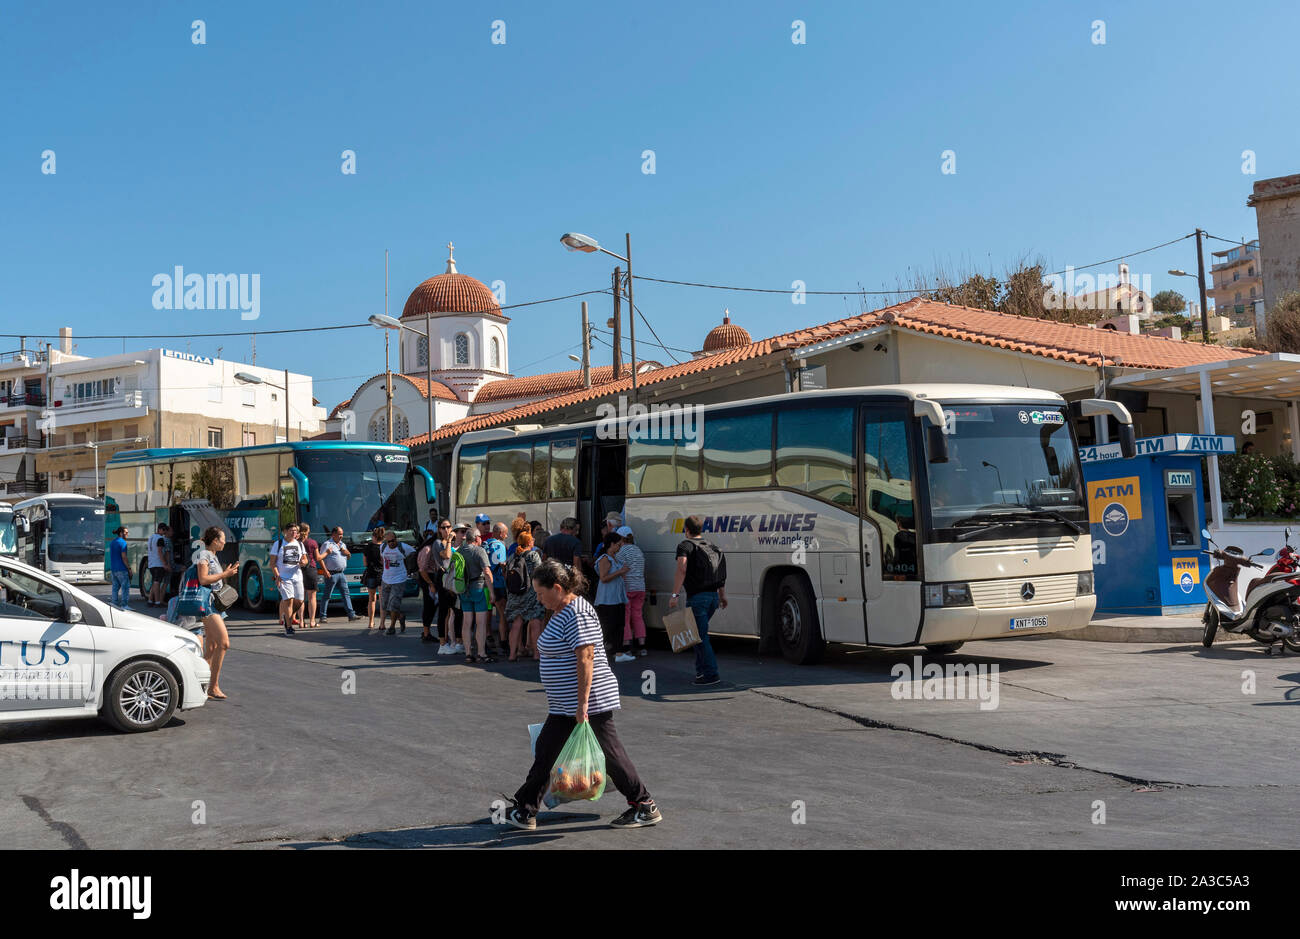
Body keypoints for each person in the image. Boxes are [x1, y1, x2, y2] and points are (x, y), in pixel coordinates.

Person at [504, 559, 661, 831]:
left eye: (541, 593)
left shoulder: (578, 612)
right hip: (566, 703)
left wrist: (582, 704)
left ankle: (644, 804)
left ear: (556, 587)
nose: (539, 599)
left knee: (611, 754)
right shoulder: (561, 610)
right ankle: (525, 809)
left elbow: (586, 656)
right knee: (546, 751)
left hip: (588, 701)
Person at [668, 515, 728, 686]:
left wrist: (674, 595)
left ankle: (711, 674)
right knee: (696, 635)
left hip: (697, 598)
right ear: (701, 529)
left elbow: (682, 569)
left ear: (686, 529)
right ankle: (701, 672)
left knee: (700, 637)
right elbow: (721, 574)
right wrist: (722, 596)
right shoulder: (712, 546)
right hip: (713, 598)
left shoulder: (685, 545)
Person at [193, 527, 239, 699]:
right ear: (214, 540)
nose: (225, 542)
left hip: (215, 605)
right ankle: (213, 685)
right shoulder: (204, 556)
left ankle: (200, 684)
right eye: (222, 539)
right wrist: (225, 574)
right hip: (208, 604)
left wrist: (225, 573)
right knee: (224, 643)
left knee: (212, 646)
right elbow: (203, 579)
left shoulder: (212, 556)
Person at [504, 529, 544, 661]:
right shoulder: (533, 555)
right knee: (535, 622)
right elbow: (539, 574)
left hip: (515, 595)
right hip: (531, 593)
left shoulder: (512, 557)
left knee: (516, 623)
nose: (533, 541)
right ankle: (537, 654)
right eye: (532, 539)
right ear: (528, 542)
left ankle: (512, 655)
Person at [457, 525, 493, 663]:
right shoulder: (479, 551)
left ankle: (467, 653)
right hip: (478, 588)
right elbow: (487, 572)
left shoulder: (459, 551)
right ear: (477, 538)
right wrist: (492, 592)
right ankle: (481, 653)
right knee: (481, 623)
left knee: (466, 622)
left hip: (464, 590)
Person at [594, 531, 628, 656]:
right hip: (607, 599)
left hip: (617, 597)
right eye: (618, 545)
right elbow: (603, 578)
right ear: (612, 544)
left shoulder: (614, 558)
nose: (620, 547)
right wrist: (620, 572)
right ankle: (606, 651)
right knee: (609, 627)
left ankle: (617, 652)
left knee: (619, 625)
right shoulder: (605, 559)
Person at [271, 523, 309, 636]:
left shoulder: (300, 544)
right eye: (292, 530)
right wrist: (277, 576)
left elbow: (305, 559)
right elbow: (272, 563)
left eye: (296, 531)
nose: (294, 533)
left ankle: (287, 616)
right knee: (289, 601)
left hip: (297, 576)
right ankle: (289, 626)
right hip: (284, 578)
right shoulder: (278, 544)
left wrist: (304, 562)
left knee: (300, 600)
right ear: (285, 531)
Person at [615, 526, 647, 659]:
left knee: (626, 618)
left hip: (627, 587)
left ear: (621, 538)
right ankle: (642, 645)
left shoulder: (621, 551)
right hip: (640, 587)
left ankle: (627, 646)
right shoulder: (638, 550)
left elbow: (619, 569)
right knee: (638, 616)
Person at [436, 521, 465, 654]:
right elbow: (447, 555)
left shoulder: (451, 543)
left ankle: (458, 642)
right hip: (443, 579)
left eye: (448, 527)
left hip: (453, 579)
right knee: (443, 611)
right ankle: (442, 644)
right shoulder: (438, 543)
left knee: (458, 611)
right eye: (443, 527)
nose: (446, 529)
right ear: (439, 530)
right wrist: (448, 540)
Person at [320, 526, 358, 623]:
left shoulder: (343, 544)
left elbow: (348, 556)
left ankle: (351, 615)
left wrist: (347, 553)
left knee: (346, 594)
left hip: (341, 573)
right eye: (339, 534)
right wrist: (325, 571)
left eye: (342, 534)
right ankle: (323, 616)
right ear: (333, 534)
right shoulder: (327, 544)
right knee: (327, 595)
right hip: (331, 574)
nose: (341, 536)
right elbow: (321, 559)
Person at [379, 530, 414, 635]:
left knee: (393, 605)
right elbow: (383, 559)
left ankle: (392, 627)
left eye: (393, 541)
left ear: (396, 539)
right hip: (386, 579)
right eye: (389, 541)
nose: (391, 543)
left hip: (399, 579)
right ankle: (401, 616)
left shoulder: (402, 547)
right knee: (385, 605)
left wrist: (409, 568)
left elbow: (413, 553)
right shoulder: (383, 547)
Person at [487, 522, 510, 654]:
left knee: (485, 613)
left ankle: (486, 639)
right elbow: (502, 567)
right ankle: (503, 641)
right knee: (502, 614)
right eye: (505, 533)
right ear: (500, 533)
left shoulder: (485, 544)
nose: (506, 536)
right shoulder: (500, 546)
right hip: (498, 583)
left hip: (485, 584)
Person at [417, 528, 441, 643]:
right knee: (429, 606)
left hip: (433, 577)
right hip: (428, 578)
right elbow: (422, 570)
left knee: (433, 606)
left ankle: (427, 632)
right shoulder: (428, 549)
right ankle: (426, 633)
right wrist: (430, 584)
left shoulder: (434, 548)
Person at [300, 523, 322, 628]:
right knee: (312, 597)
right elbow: (318, 558)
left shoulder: (296, 542)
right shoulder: (312, 542)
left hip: (299, 570)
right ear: (308, 531)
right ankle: (312, 621)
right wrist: (327, 552)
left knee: (301, 597)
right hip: (310, 569)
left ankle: (301, 621)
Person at [362, 527, 385, 631]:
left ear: (374, 536)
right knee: (382, 599)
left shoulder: (369, 547)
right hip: (382, 574)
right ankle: (382, 623)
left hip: (371, 574)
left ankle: (371, 622)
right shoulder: (384, 547)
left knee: (371, 599)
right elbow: (385, 562)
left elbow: (365, 563)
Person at [147, 523, 171, 608]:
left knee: (154, 582)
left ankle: (150, 600)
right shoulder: (160, 539)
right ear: (159, 529)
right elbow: (160, 552)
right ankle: (157, 602)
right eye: (163, 530)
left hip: (151, 564)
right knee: (157, 582)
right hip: (158, 564)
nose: (164, 532)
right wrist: (165, 563)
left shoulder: (151, 537)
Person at [109, 526, 131, 609]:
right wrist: (129, 568)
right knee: (125, 587)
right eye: (126, 532)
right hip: (122, 569)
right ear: (121, 533)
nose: (127, 534)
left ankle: (114, 603)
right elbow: (124, 557)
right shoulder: (123, 543)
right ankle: (124, 605)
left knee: (115, 587)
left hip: (114, 569)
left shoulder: (113, 542)